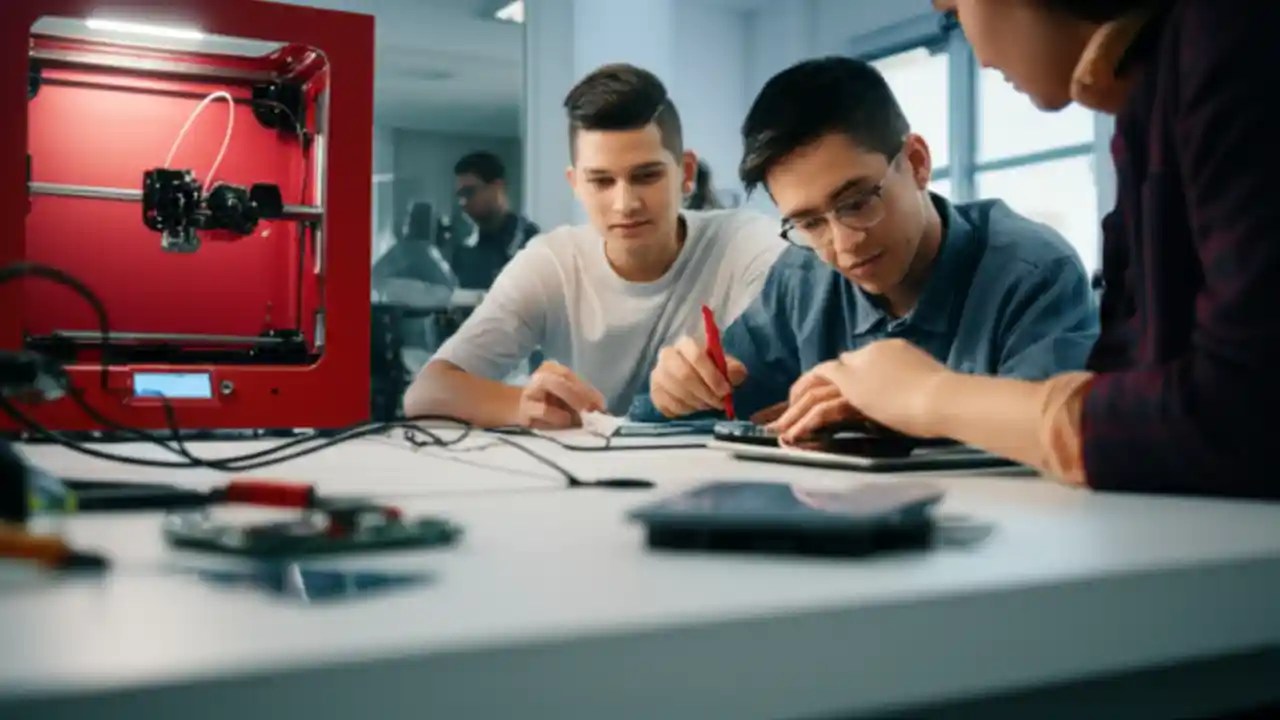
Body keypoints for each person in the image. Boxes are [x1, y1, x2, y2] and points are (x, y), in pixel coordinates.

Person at [798, 0, 1280, 499]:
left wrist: (931, 397)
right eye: (809, 222)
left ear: (917, 164)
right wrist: (911, 411)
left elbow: (1243, 413)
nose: (980, 57)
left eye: (955, 11)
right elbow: (1132, 383)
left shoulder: (1234, 37)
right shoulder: (1146, 102)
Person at [641, 57, 1099, 435]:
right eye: (809, 222)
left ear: (916, 162)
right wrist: (676, 394)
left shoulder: (1033, 272)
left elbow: (1065, 436)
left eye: (858, 202)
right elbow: (712, 412)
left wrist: (901, 409)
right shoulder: (801, 278)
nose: (843, 246)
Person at [402, 64, 786, 428]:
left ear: (685, 173)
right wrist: (523, 405)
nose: (625, 204)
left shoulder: (748, 242)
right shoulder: (552, 263)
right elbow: (426, 392)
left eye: (646, 176)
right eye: (601, 181)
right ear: (576, 185)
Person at [450, 151, 541, 290]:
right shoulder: (464, 251)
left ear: (497, 187)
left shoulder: (532, 243)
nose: (463, 202)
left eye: (469, 192)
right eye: (460, 195)